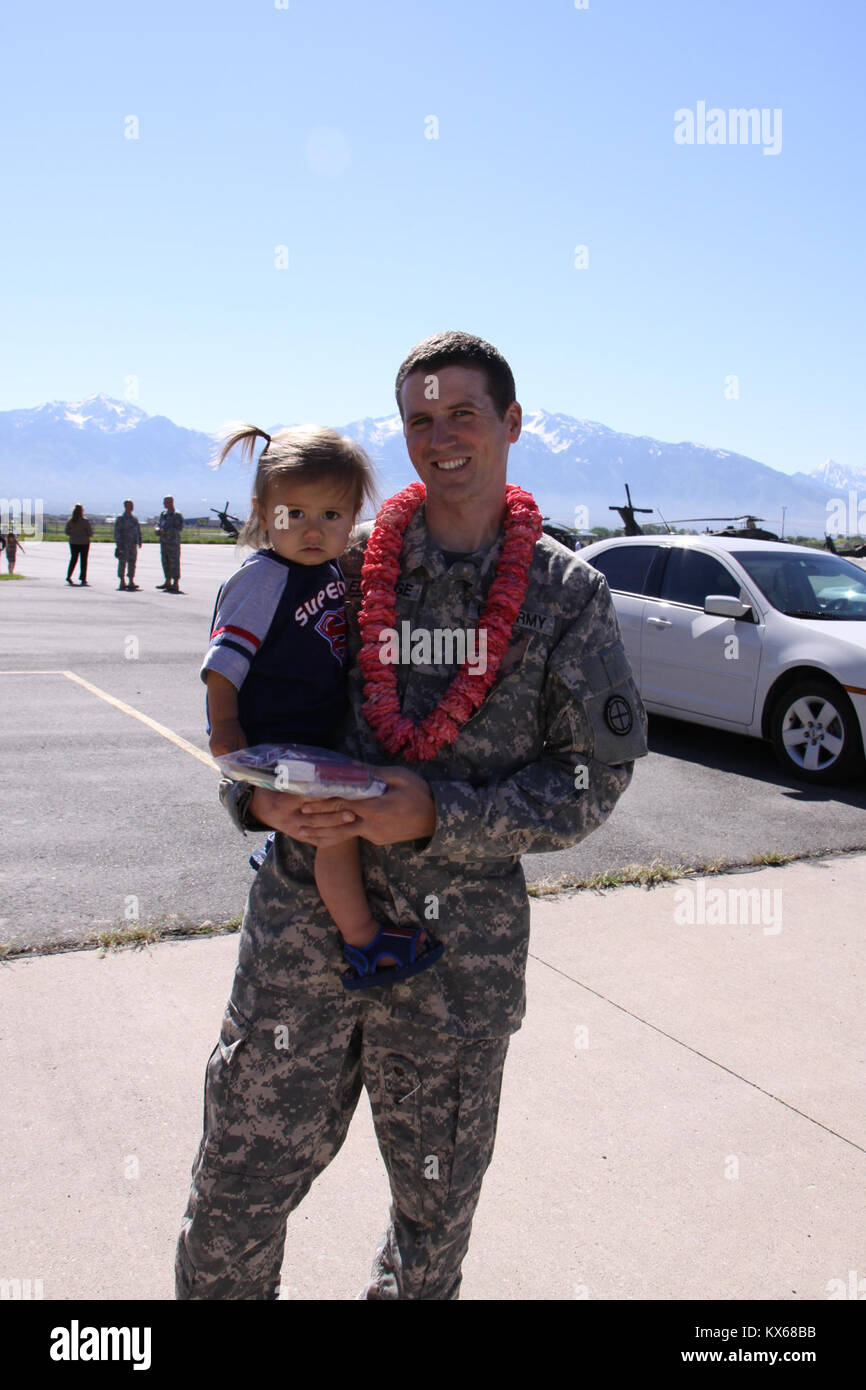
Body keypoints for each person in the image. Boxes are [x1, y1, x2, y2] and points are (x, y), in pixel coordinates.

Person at [176, 331, 649, 1302]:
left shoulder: (566, 597)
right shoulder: (342, 566)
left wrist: (443, 814)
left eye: (461, 413)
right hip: (303, 931)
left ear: (511, 423)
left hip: (454, 962)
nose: (439, 436)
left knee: (429, 1231)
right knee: (234, 1192)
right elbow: (256, 711)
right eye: (419, 419)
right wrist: (252, 796)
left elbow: (592, 782)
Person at [202, 424, 441, 984]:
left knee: (333, 826)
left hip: (311, 735)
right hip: (278, 738)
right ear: (263, 513)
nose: (313, 530)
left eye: (331, 516)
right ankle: (366, 944)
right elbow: (223, 662)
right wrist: (226, 729)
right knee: (335, 832)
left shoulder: (326, 569)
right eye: (294, 515)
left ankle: (287, 860)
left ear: (354, 513)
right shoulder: (264, 577)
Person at [155, 495, 184, 592]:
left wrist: (167, 532)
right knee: (165, 561)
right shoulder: (163, 514)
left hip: (173, 543)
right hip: (164, 542)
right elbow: (159, 524)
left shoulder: (177, 514)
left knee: (174, 562)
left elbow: (179, 528)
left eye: (166, 502)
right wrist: (158, 529)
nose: (164, 504)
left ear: (171, 502)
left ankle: (175, 583)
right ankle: (167, 581)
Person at [114, 499, 143, 590]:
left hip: (133, 544)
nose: (132, 507)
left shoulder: (134, 518)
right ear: (126, 506)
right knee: (122, 562)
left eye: (132, 505)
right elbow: (117, 532)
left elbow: (138, 531)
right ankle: (122, 581)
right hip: (123, 544)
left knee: (132, 563)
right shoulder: (121, 518)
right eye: (130, 505)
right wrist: (118, 544)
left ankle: (131, 580)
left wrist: (139, 541)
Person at [64, 504, 93, 585]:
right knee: (83, 561)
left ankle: (69, 576)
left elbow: (66, 531)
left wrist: (73, 534)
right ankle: (83, 578)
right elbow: (90, 532)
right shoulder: (85, 521)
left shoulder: (71, 521)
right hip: (84, 542)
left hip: (73, 542)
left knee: (73, 559)